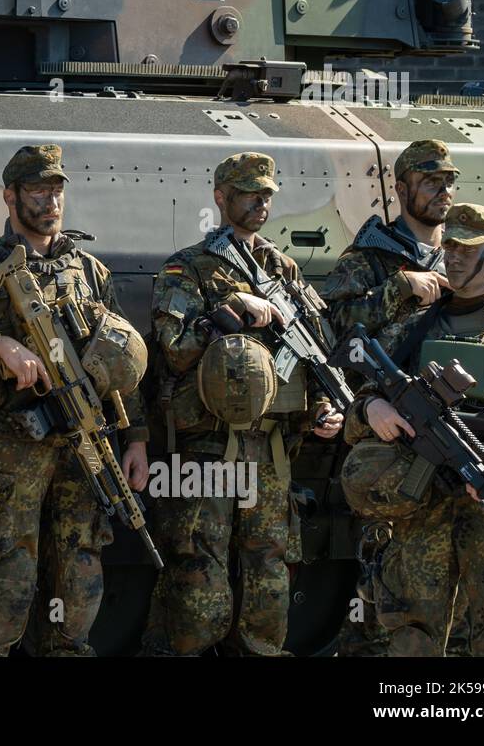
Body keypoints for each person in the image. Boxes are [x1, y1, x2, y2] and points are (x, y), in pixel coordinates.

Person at [0, 144, 150, 656]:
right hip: (9, 452)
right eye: (37, 190)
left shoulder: (90, 271)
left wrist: (135, 439)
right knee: (5, 585)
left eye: (57, 190)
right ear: (10, 196)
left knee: (79, 579)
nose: (51, 201)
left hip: (83, 450)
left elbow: (121, 366)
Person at [144, 152, 343, 655]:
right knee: (197, 571)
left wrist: (323, 404)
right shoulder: (186, 267)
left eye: (268, 194)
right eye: (250, 193)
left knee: (269, 573)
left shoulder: (283, 268)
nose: (261, 202)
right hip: (207, 449)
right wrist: (228, 311)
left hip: (272, 448)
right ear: (221, 198)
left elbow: (315, 348)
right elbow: (174, 349)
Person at [346, 203, 484, 656]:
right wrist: (373, 409)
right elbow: (358, 394)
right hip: (421, 511)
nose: (454, 257)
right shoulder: (415, 326)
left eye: (469, 248)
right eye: (452, 246)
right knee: (411, 636)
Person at [318, 139, 457, 655]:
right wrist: (399, 289)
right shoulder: (369, 258)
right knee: (384, 581)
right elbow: (332, 330)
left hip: (454, 434)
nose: (443, 191)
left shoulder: (462, 252)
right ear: (400, 189)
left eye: (447, 181)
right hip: (389, 438)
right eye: (430, 182)